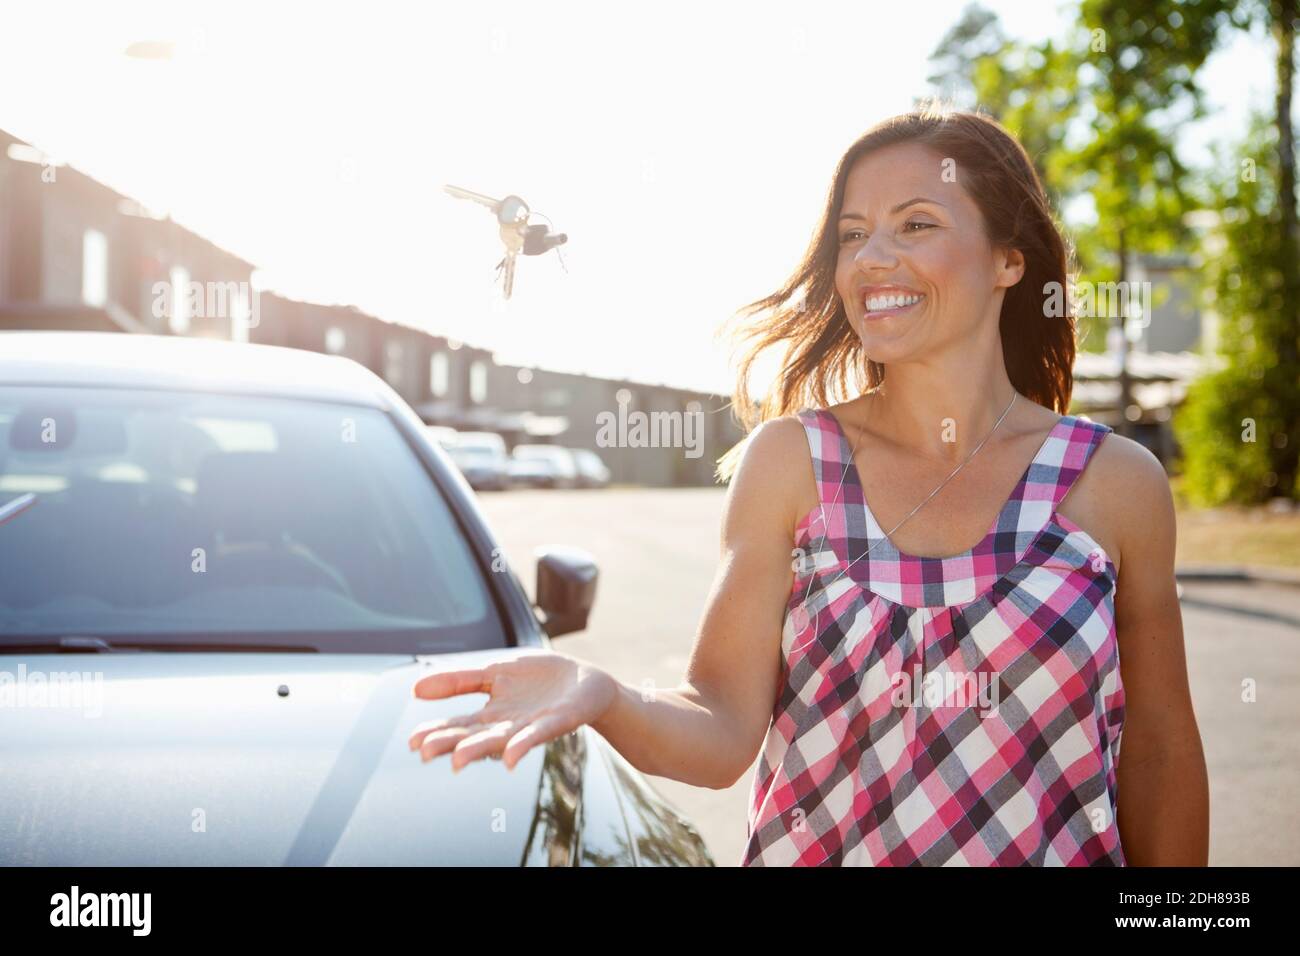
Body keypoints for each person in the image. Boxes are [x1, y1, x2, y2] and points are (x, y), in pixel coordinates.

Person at [406, 105, 1209, 866]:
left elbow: (1161, 749)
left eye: (916, 224)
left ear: (1008, 258)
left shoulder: (1115, 484)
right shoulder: (791, 464)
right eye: (852, 234)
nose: (871, 259)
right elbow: (719, 727)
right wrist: (604, 693)